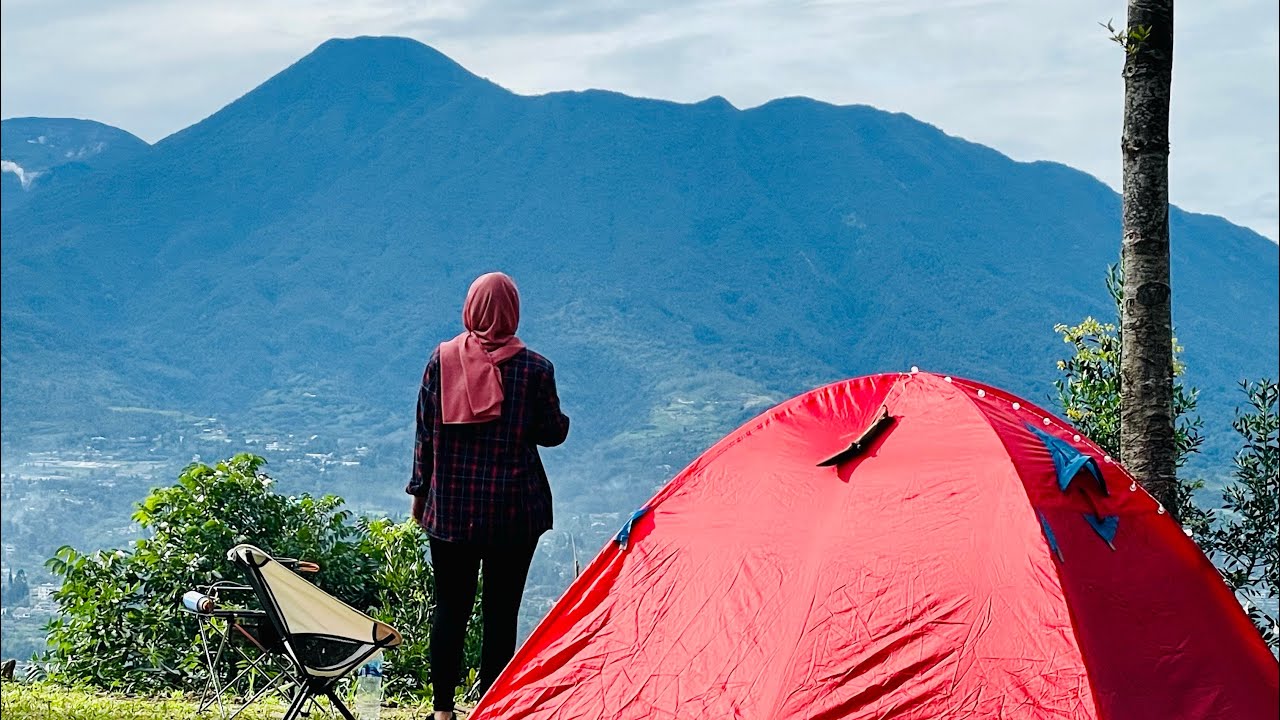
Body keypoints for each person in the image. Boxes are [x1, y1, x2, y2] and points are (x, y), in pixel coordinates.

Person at [406, 272, 570, 720]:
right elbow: (551, 433)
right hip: (514, 513)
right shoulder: (536, 369)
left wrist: (420, 495)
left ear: (471, 308)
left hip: (451, 511)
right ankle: (490, 707)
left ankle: (442, 710)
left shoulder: (441, 362)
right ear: (512, 311)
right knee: (502, 612)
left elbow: (425, 435)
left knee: (451, 608)